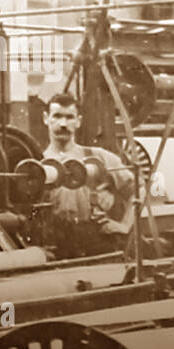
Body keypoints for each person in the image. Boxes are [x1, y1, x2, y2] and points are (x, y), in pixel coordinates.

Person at [40, 92, 134, 259]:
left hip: (97, 244)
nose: (63, 124)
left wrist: (125, 225)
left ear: (78, 122)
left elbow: (140, 187)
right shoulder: (38, 164)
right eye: (57, 116)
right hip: (56, 247)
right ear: (46, 118)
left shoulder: (99, 157)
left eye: (70, 117)